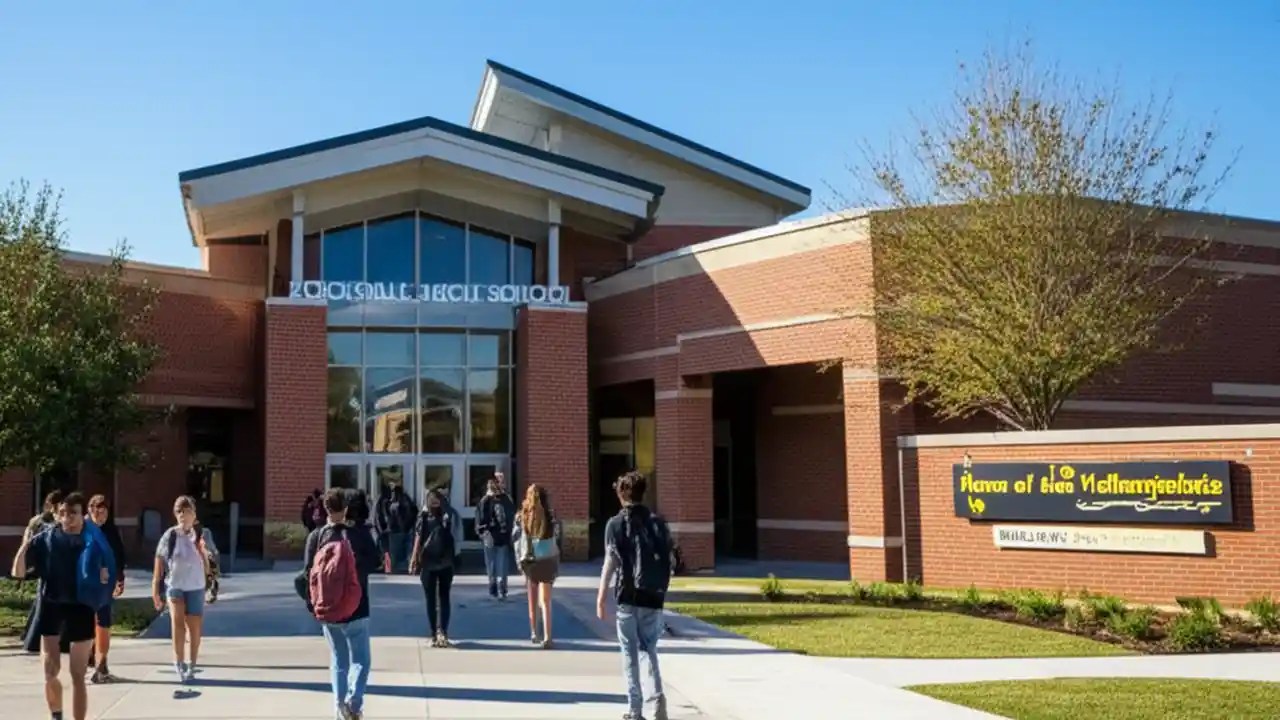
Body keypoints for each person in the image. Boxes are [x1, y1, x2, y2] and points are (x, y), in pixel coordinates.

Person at [11, 491, 100, 720]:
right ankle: (56, 715)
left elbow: (106, 575)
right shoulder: (46, 539)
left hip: (81, 608)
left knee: (78, 675)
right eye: (63, 513)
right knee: (50, 672)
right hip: (51, 607)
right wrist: (24, 545)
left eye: (73, 513)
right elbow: (18, 573)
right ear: (57, 514)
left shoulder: (93, 541)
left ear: (83, 516)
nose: (67, 518)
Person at [597, 472, 673, 720]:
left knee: (630, 653)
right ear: (643, 493)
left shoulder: (615, 524)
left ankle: (635, 709)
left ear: (621, 496)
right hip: (654, 596)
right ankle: (658, 700)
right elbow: (669, 561)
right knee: (648, 649)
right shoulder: (658, 523)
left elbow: (611, 563)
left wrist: (600, 597)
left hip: (627, 597)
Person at [301, 488, 381, 720]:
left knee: (338, 660)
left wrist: (312, 605)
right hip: (357, 605)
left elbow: (307, 574)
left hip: (328, 609)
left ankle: (339, 708)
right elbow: (375, 561)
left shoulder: (316, 537)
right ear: (345, 509)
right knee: (361, 660)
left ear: (325, 509)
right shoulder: (358, 534)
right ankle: (354, 704)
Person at [152, 496, 214, 684]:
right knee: (177, 623)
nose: (182, 515)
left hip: (196, 586)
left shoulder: (202, 534)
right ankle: (178, 661)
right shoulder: (170, 535)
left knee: (194, 628)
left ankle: (192, 664)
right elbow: (160, 560)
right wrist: (155, 588)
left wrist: (205, 553)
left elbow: (211, 562)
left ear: (194, 514)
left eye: (186, 511)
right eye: (179, 511)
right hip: (175, 585)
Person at [512, 483, 560, 649]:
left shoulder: (522, 516)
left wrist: (519, 560)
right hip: (547, 559)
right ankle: (548, 636)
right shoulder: (551, 516)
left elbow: (517, 540)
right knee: (546, 600)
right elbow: (558, 537)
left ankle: (534, 632)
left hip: (530, 560)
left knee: (532, 598)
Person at [86, 495, 126, 683]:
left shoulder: (110, 531)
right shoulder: (83, 530)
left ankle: (102, 664)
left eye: (103, 512)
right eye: (96, 511)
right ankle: (90, 659)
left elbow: (119, 555)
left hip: (105, 586)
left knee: (103, 623)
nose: (99, 516)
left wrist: (119, 578)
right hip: (85, 585)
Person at [409, 489, 457, 647]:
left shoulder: (423, 517)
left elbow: (418, 538)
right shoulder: (449, 516)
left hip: (428, 561)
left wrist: (414, 559)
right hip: (446, 561)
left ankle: (433, 634)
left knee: (430, 599)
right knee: (444, 597)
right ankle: (443, 631)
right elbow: (457, 537)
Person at [22, 490, 67, 655]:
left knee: (41, 604)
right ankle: (34, 641)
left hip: (44, 566)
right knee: (43, 604)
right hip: (46, 566)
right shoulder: (44, 522)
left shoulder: (39, 520)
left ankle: (31, 637)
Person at [475, 473, 516, 601]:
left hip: (503, 536)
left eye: (502, 480)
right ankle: (493, 587)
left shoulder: (506, 498)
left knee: (502, 564)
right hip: (490, 536)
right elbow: (480, 518)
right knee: (492, 563)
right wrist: (483, 532)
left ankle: (502, 588)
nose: (501, 483)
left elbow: (511, 514)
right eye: (499, 480)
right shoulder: (486, 500)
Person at [374, 482, 417, 574]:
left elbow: (412, 513)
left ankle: (396, 570)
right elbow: (378, 517)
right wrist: (382, 531)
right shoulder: (384, 499)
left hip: (398, 531)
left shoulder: (403, 499)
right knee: (390, 556)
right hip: (392, 532)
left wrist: (406, 528)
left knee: (395, 555)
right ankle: (391, 570)